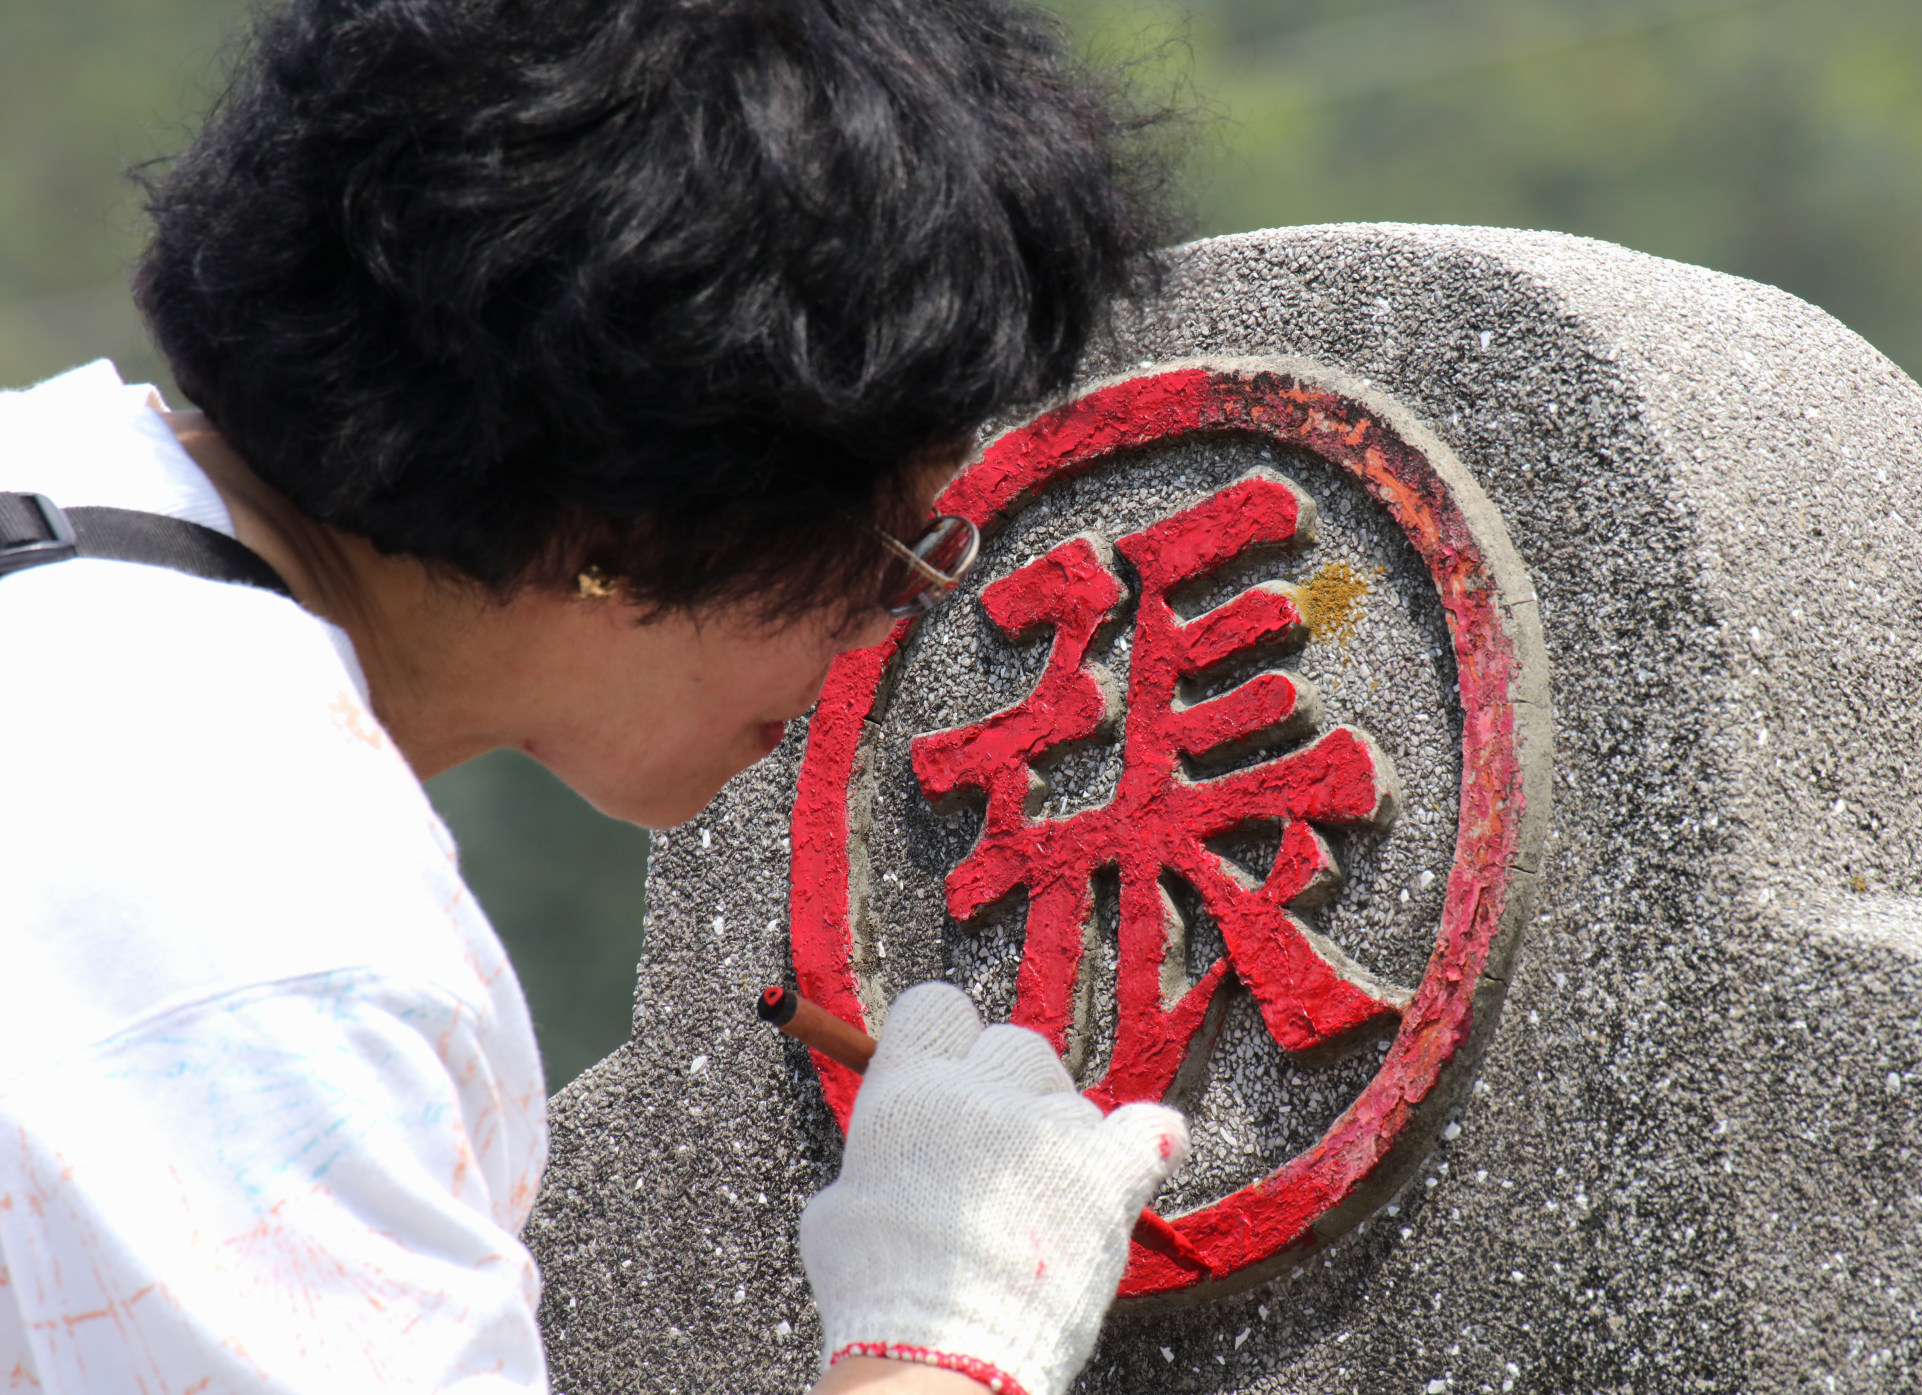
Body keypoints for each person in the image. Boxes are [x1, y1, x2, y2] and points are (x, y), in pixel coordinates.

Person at [0, 1, 1191, 1392]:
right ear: (627, 515)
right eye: (894, 548)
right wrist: (951, 1327)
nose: (888, 627)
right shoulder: (269, 942)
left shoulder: (57, 481)